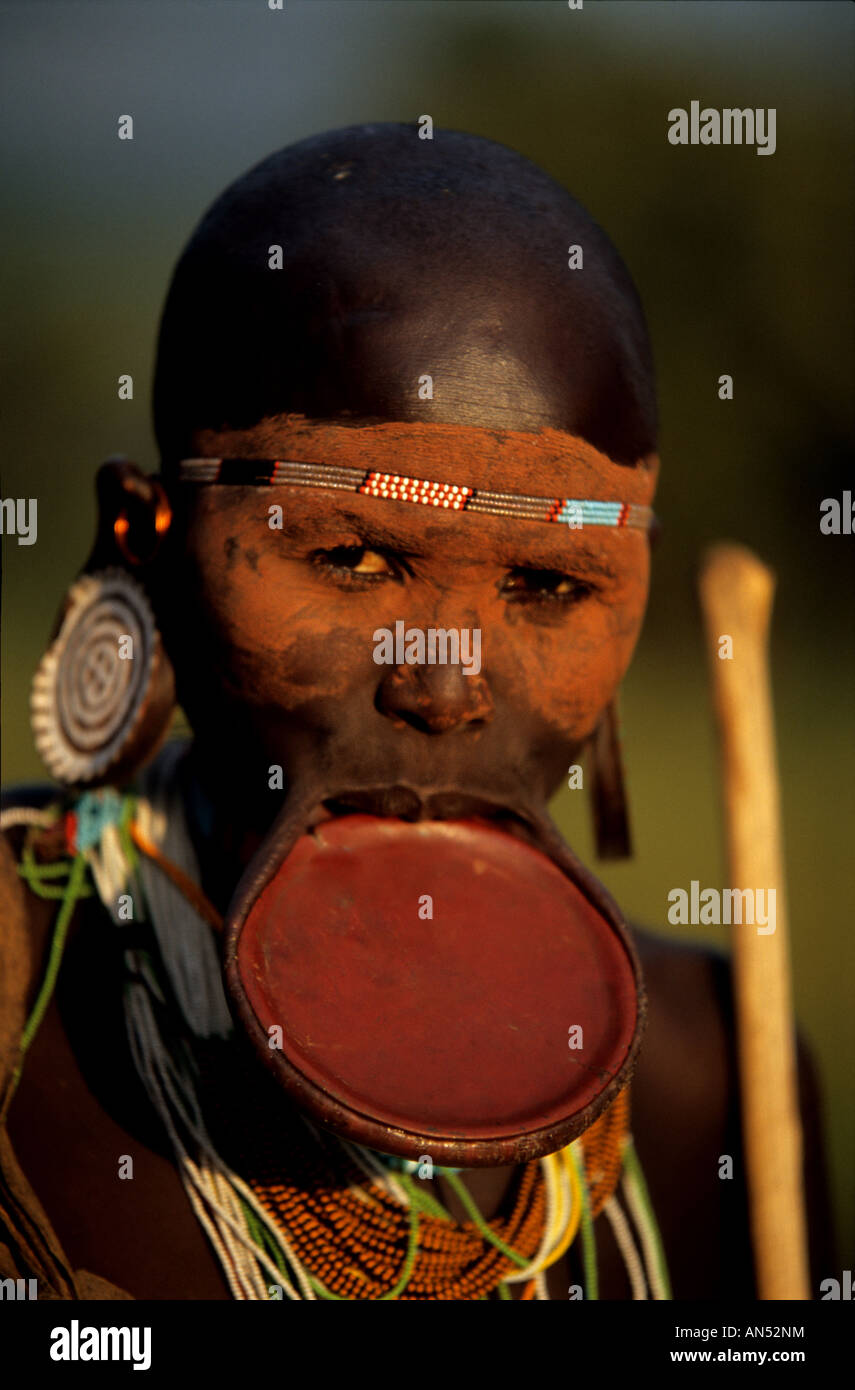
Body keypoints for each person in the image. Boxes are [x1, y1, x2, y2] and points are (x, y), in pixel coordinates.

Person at [0, 123, 832, 1301]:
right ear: (149, 542)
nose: (445, 683)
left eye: (548, 586)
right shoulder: (18, 998)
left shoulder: (716, 1072)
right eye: (352, 560)